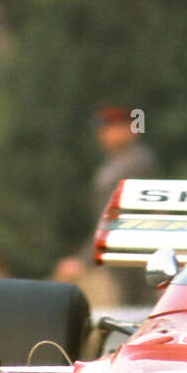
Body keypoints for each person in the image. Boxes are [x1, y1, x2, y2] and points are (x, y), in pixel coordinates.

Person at [54, 106, 159, 306]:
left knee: (131, 310)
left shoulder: (135, 163)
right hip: (117, 252)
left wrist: (83, 260)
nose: (103, 134)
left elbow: (118, 217)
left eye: (110, 127)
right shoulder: (116, 163)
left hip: (131, 252)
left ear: (130, 129)